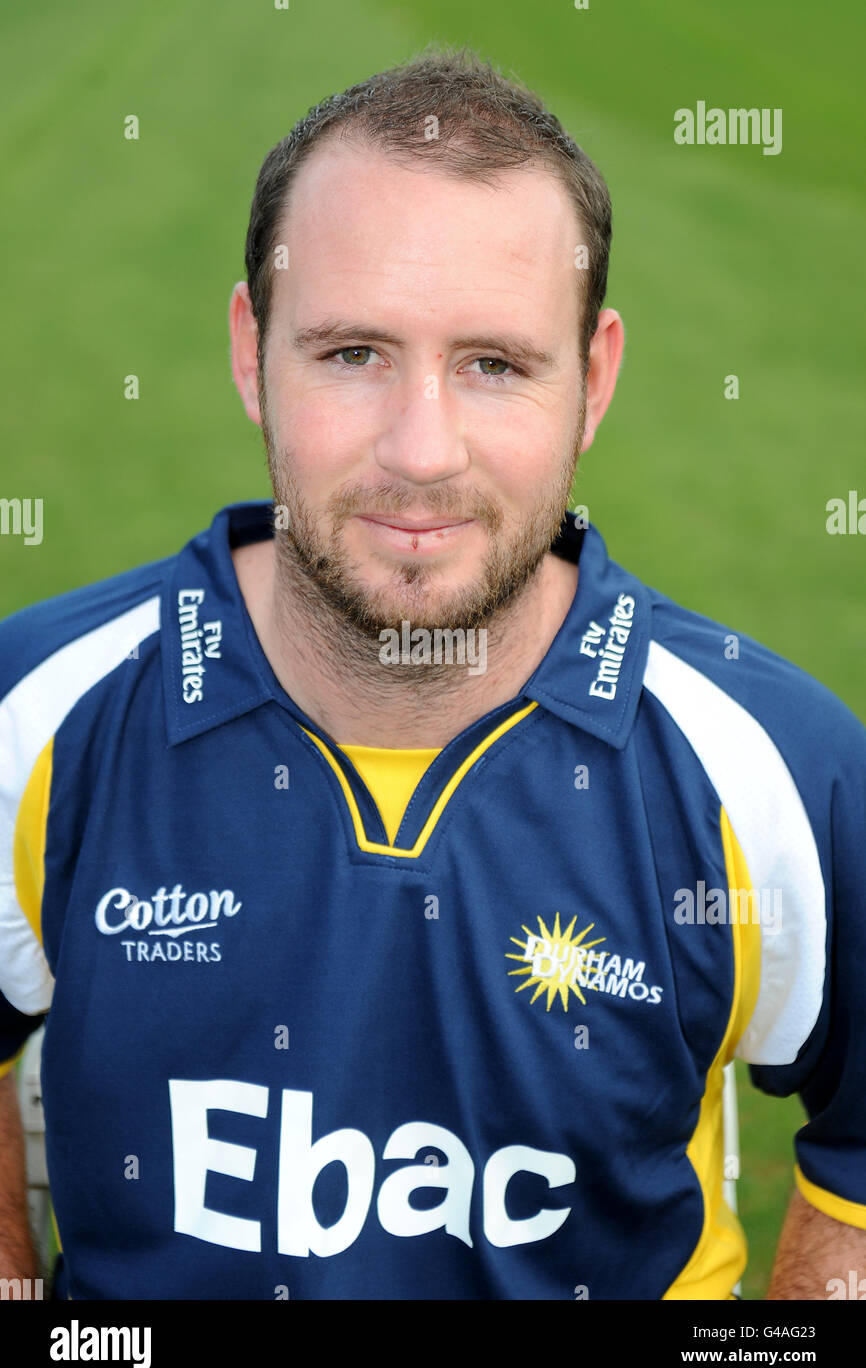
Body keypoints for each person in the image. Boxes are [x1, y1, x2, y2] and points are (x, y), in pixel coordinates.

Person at [1, 45, 864, 1302]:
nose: (420, 450)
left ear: (595, 378)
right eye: (351, 354)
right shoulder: (38, 712)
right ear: (252, 352)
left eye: (494, 364)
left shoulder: (778, 771)